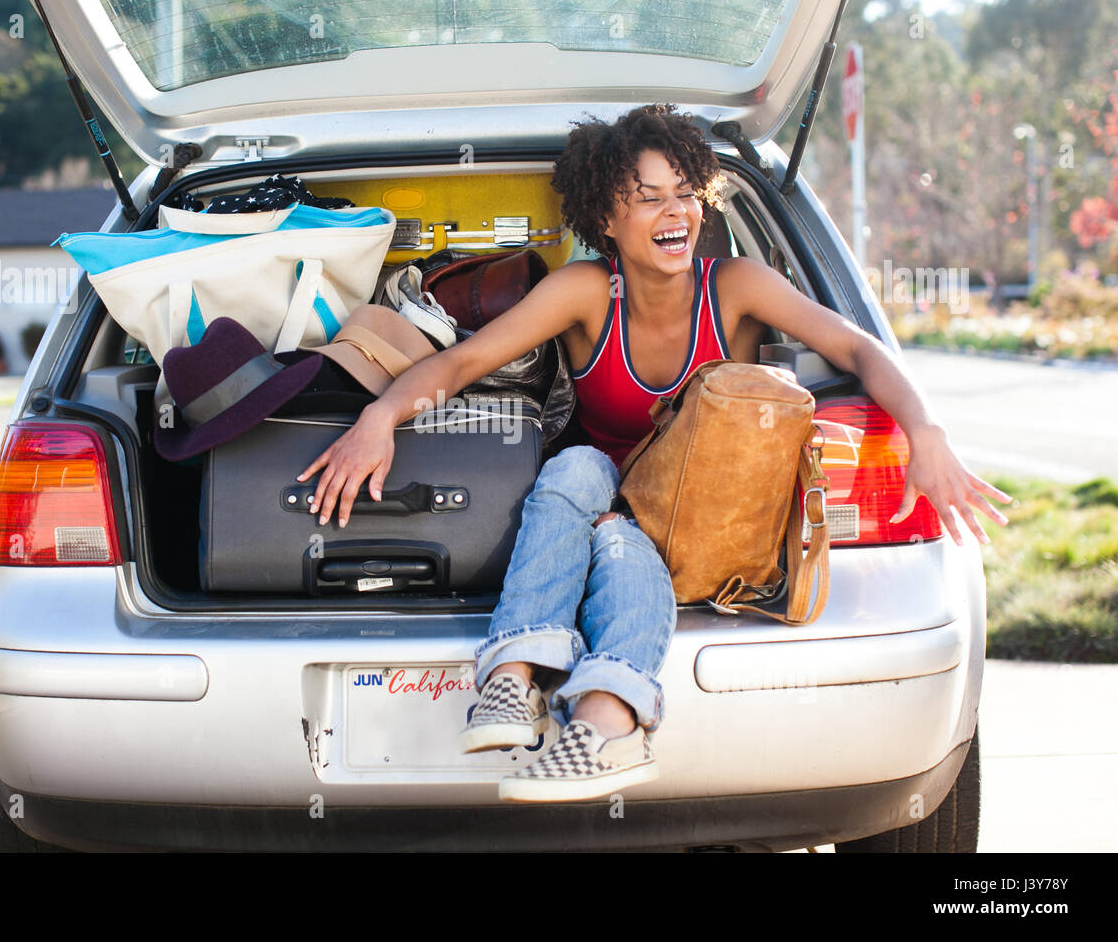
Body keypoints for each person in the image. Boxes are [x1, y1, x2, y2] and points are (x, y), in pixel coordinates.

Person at [296, 103, 1010, 803]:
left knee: (612, 524)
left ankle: (562, 699)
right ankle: (546, 699)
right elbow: (461, 364)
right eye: (647, 199)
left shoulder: (734, 288)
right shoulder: (585, 293)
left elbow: (856, 347)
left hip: (701, 519)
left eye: (686, 194)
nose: (676, 213)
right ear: (606, 219)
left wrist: (927, 432)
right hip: (605, 510)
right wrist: (381, 416)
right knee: (588, 489)